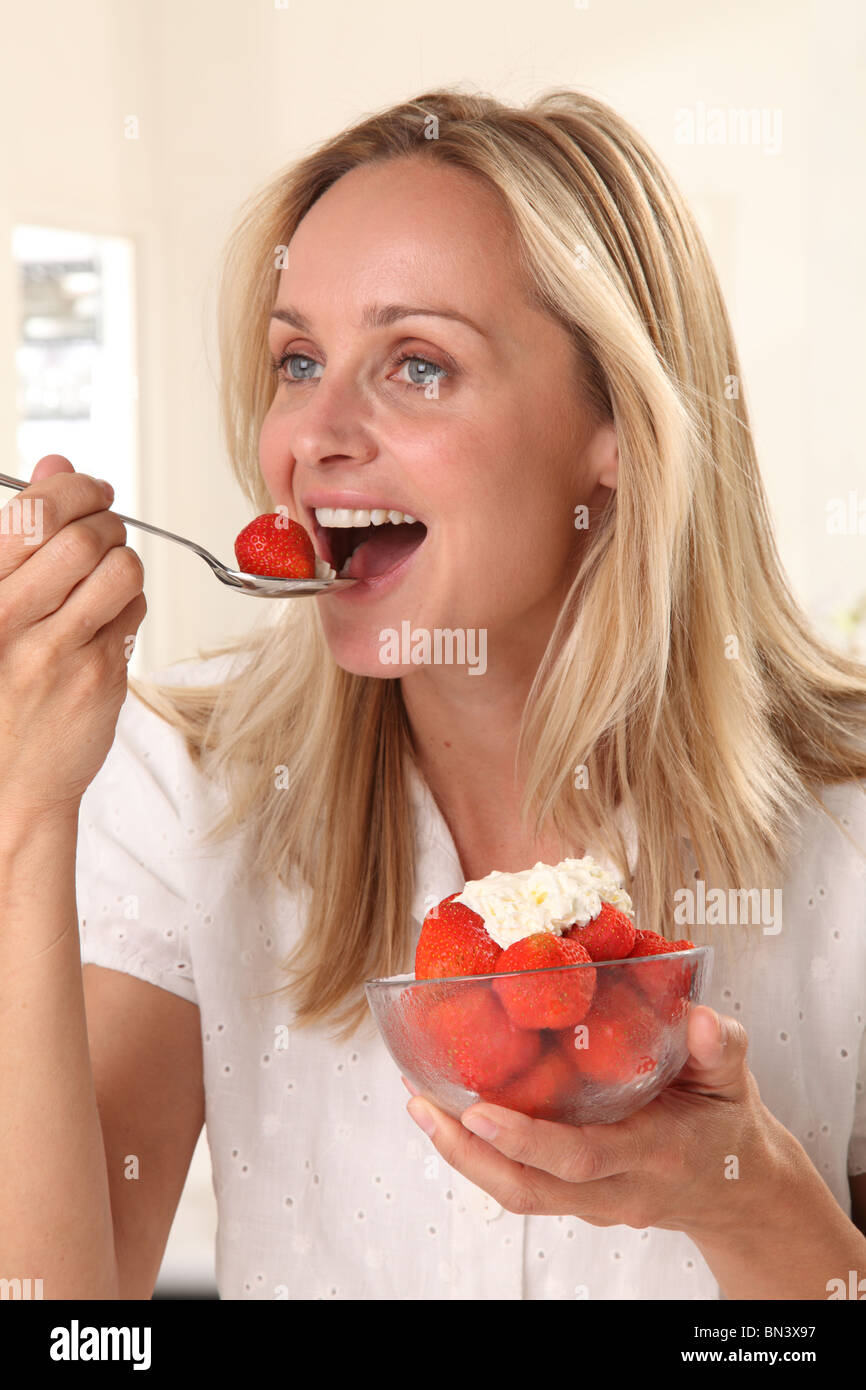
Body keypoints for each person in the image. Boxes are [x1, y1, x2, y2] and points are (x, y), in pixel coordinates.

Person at [2, 87, 864, 1302]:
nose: (313, 433)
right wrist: (23, 816)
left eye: (416, 363)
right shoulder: (183, 787)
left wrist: (749, 1199)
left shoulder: (844, 828)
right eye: (297, 360)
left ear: (612, 427)